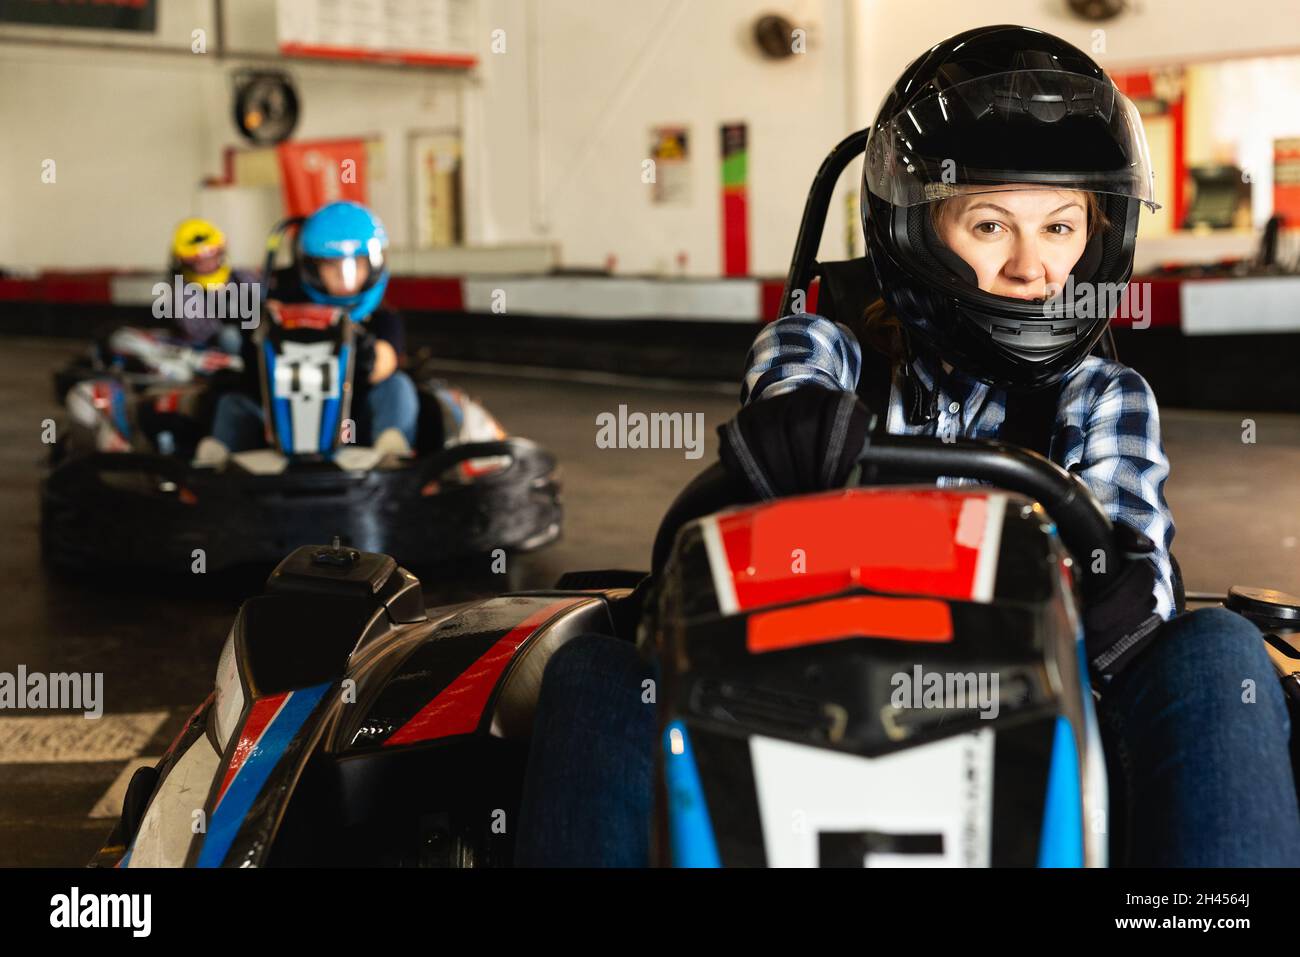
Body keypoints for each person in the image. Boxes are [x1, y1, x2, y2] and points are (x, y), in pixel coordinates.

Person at [514, 24, 1300, 867]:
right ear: (917, 230)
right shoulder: (833, 350)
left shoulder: (1105, 396)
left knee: (1219, 651)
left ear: (1097, 240)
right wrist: (798, 431)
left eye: (1061, 227)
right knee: (593, 671)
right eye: (991, 225)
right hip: (805, 694)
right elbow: (792, 371)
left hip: (1030, 713)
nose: (1033, 267)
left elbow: (1133, 582)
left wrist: (1117, 577)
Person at [196, 201, 419, 463]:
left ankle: (391, 456)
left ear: (373, 266)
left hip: (352, 427)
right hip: (280, 425)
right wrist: (265, 327)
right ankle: (215, 463)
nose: (343, 277)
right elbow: (251, 364)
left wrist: (355, 345)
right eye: (332, 266)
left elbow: (384, 361)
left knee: (398, 387)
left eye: (356, 265)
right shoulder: (283, 307)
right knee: (232, 402)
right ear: (313, 268)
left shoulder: (381, 318)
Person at [168, 218, 246, 354]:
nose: (208, 264)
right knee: (230, 336)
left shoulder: (240, 276)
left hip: (251, 347)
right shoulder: (184, 292)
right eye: (198, 260)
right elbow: (199, 333)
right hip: (209, 352)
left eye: (212, 255)